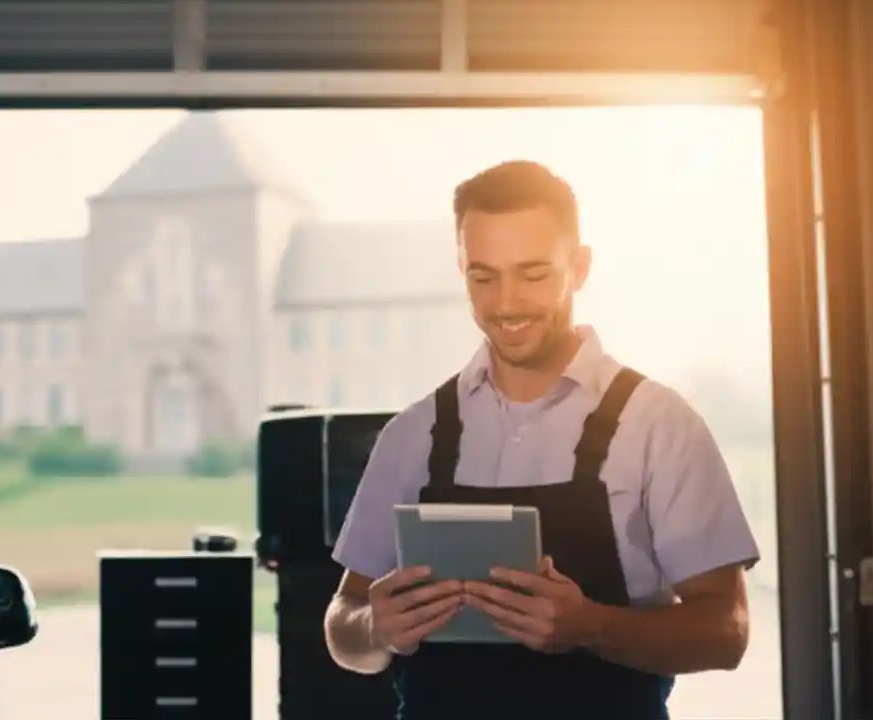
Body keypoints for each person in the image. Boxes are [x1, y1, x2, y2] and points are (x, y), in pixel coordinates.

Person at [322, 160, 760, 719]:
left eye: (533, 275)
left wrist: (590, 627)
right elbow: (344, 625)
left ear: (578, 267)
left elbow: (727, 632)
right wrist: (374, 627)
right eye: (484, 277)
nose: (506, 303)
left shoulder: (657, 425)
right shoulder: (413, 435)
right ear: (462, 270)